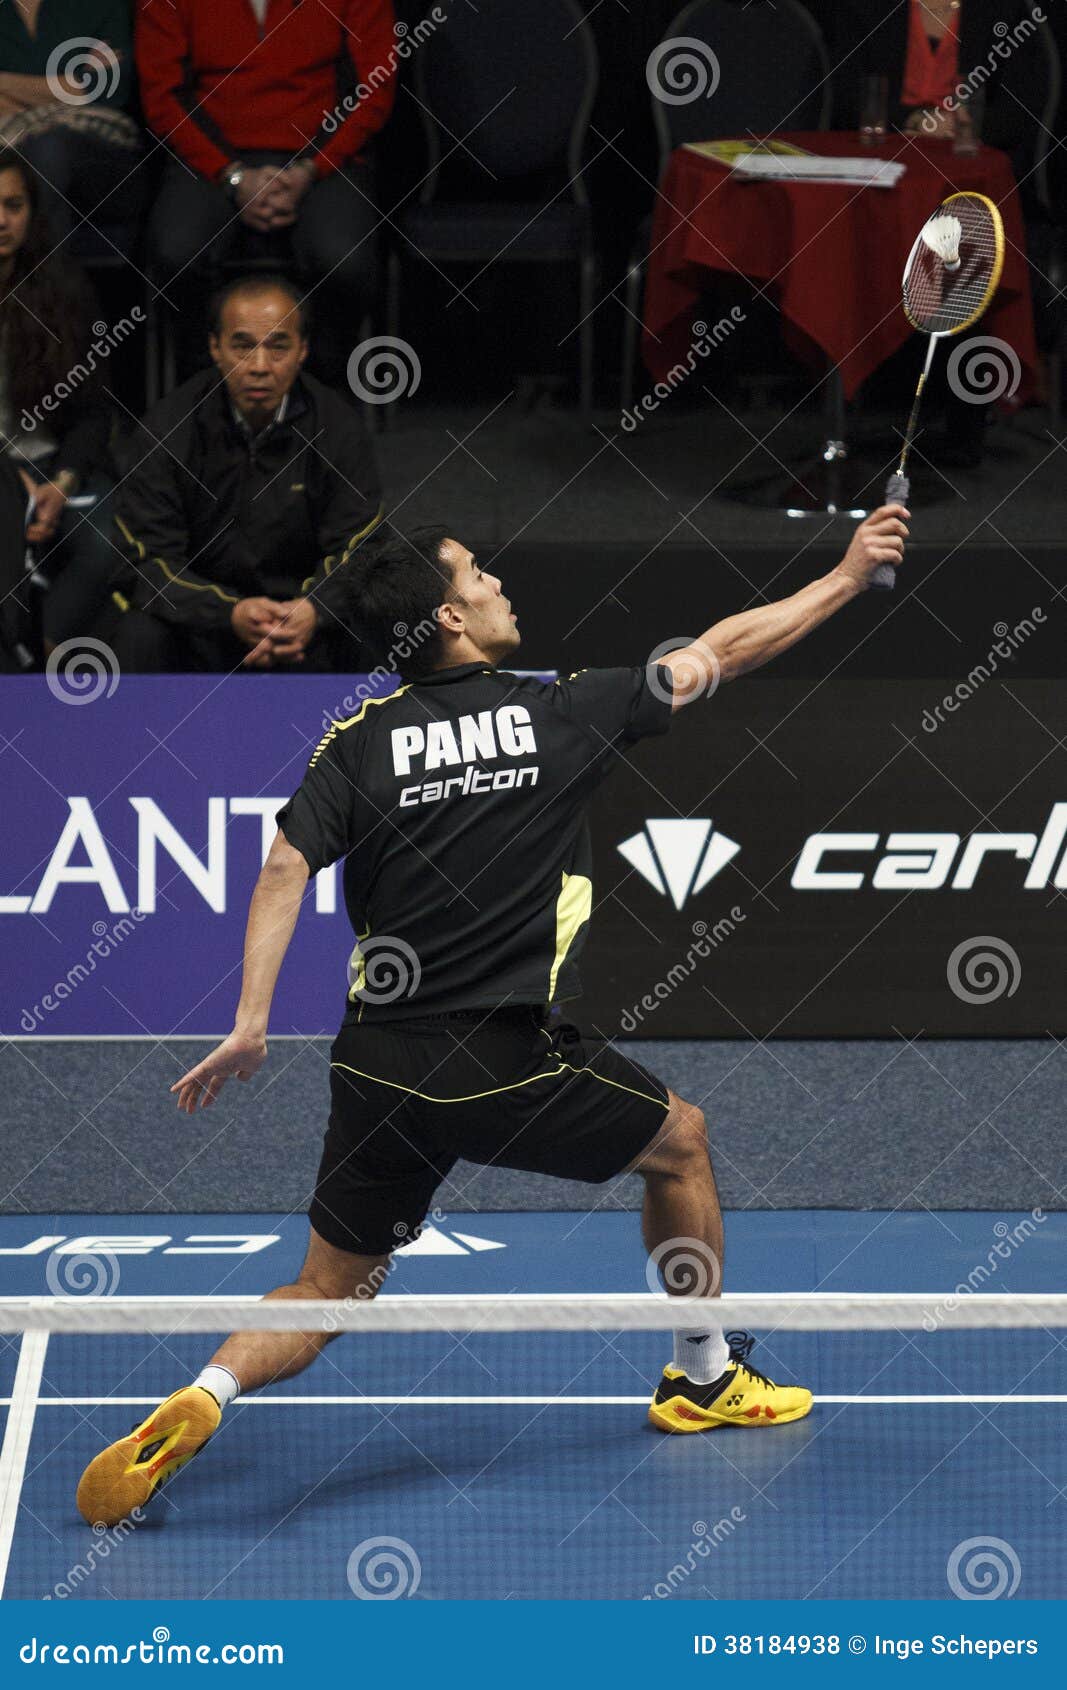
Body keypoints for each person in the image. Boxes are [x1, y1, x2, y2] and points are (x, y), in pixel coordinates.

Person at [76, 501, 910, 1527]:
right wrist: (841, 575)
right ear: (451, 622)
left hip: (374, 1065)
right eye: (477, 573)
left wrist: (251, 1022)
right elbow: (717, 654)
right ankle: (701, 1378)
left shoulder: (358, 738)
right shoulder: (557, 710)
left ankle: (207, 1393)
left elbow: (286, 863)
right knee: (680, 1142)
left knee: (329, 1288)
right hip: (497, 1057)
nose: (497, 580)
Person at [109, 274, 385, 673]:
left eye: (278, 347)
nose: (259, 366)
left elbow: (362, 545)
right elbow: (144, 561)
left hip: (305, 624)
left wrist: (312, 610)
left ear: (303, 350)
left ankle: (365, 735)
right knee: (140, 632)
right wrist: (229, 613)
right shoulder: (167, 429)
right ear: (215, 348)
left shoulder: (338, 428)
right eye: (243, 346)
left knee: (375, 622)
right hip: (203, 624)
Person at [136, 0, 397, 385]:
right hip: (208, 155)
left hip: (322, 156)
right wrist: (233, 176)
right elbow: (162, 96)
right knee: (176, 252)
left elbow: (375, 87)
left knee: (344, 261)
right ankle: (206, 389)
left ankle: (320, 392)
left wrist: (311, 168)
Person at [0, 148, 116, 656]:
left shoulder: (64, 288)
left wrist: (61, 482)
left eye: (13, 205)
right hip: (1, 470)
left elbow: (94, 409)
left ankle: (43, 656)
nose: (0, 220)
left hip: (54, 465)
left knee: (107, 541)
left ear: (31, 212)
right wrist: (12, 481)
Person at [0, 1, 142, 247]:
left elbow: (109, 90)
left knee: (49, 150)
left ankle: (44, 281)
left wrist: (4, 84)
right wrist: (68, 84)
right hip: (11, 143)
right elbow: (82, 87)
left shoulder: (103, 6)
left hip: (102, 155)